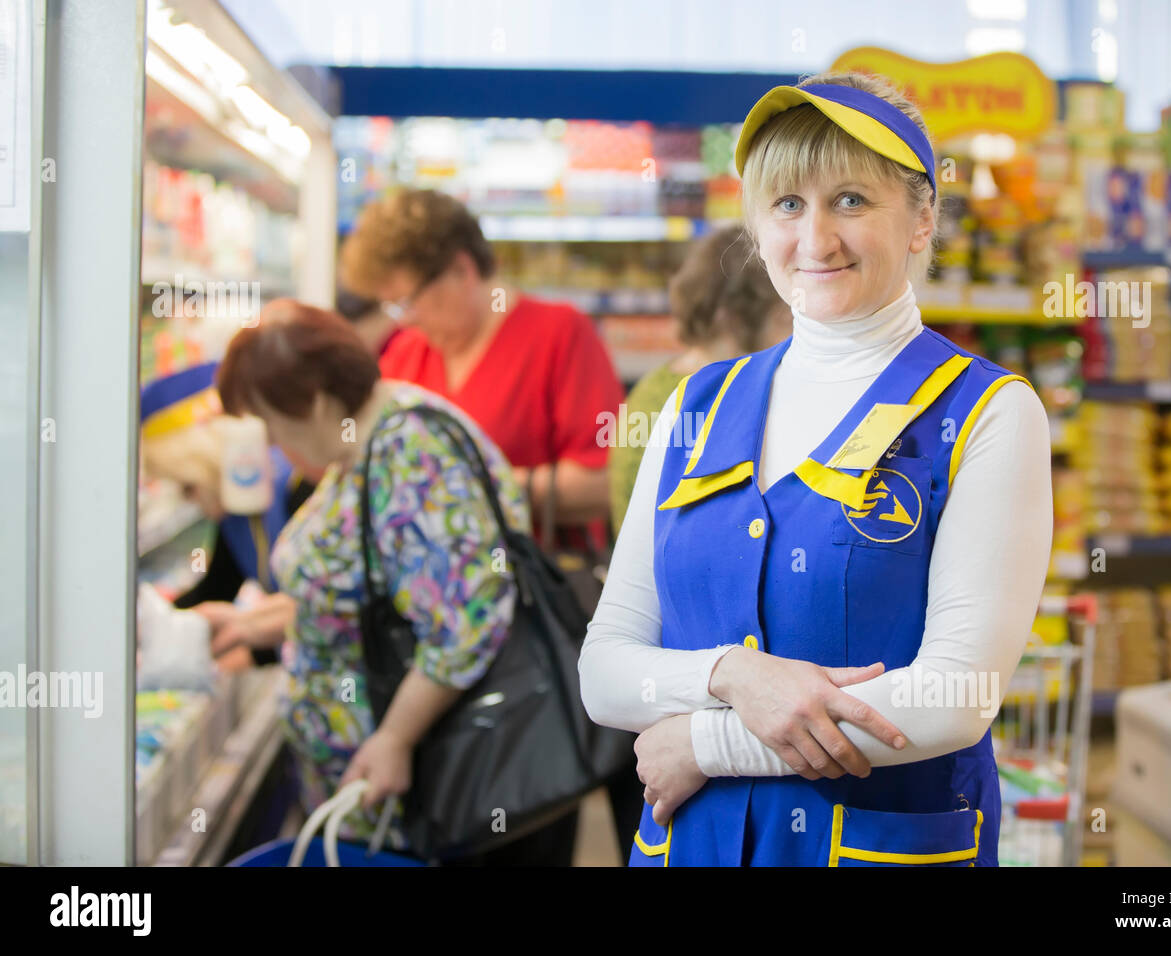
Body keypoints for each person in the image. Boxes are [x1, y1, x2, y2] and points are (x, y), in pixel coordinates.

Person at [578, 72, 1053, 867]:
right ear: (758, 227)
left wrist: (704, 741)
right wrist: (735, 674)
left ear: (922, 217)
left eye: (852, 201)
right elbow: (605, 669)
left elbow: (953, 699)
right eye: (788, 205)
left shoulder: (990, 413)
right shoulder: (695, 406)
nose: (817, 239)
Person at [215, 298, 561, 863]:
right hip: (368, 791)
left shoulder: (412, 452)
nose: (274, 444)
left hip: (417, 792)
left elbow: (466, 621)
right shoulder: (368, 443)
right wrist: (249, 624)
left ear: (317, 403)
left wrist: (395, 737)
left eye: (272, 423)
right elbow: (363, 595)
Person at [337, 188, 625, 547]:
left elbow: (604, 484)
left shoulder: (561, 334)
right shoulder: (407, 353)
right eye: (393, 307)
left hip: (534, 582)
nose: (405, 321)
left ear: (462, 270)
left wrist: (468, 483)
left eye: (408, 302)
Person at [609, 225, 790, 536]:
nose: (791, 335)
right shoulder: (712, 399)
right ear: (732, 319)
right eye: (783, 320)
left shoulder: (657, 383)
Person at [139, 362, 314, 667]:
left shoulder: (296, 488)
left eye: (188, 487)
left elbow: (325, 612)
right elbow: (217, 589)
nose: (191, 501)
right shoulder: (236, 516)